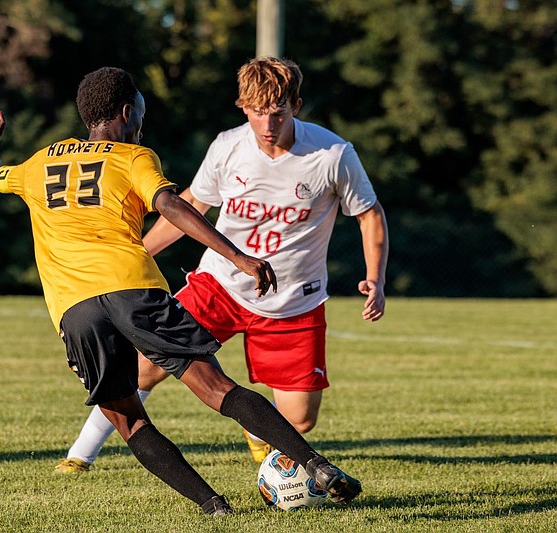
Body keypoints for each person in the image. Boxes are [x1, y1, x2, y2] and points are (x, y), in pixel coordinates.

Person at [0, 66, 362, 515]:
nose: (143, 117)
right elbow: (172, 205)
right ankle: (316, 465)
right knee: (218, 388)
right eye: (141, 107)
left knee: (131, 420)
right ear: (126, 111)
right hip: (134, 291)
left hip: (74, 310)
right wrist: (239, 256)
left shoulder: (42, 161)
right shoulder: (133, 157)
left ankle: (214, 507)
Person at [56, 57, 388, 473]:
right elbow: (191, 205)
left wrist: (375, 279)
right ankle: (80, 455)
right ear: (243, 107)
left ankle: (255, 423)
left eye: (279, 113)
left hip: (292, 300)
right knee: (144, 367)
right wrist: (135, 251)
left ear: (297, 106)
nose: (268, 125)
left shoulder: (333, 154)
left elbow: (369, 213)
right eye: (258, 113)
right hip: (221, 283)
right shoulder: (228, 146)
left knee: (301, 419)